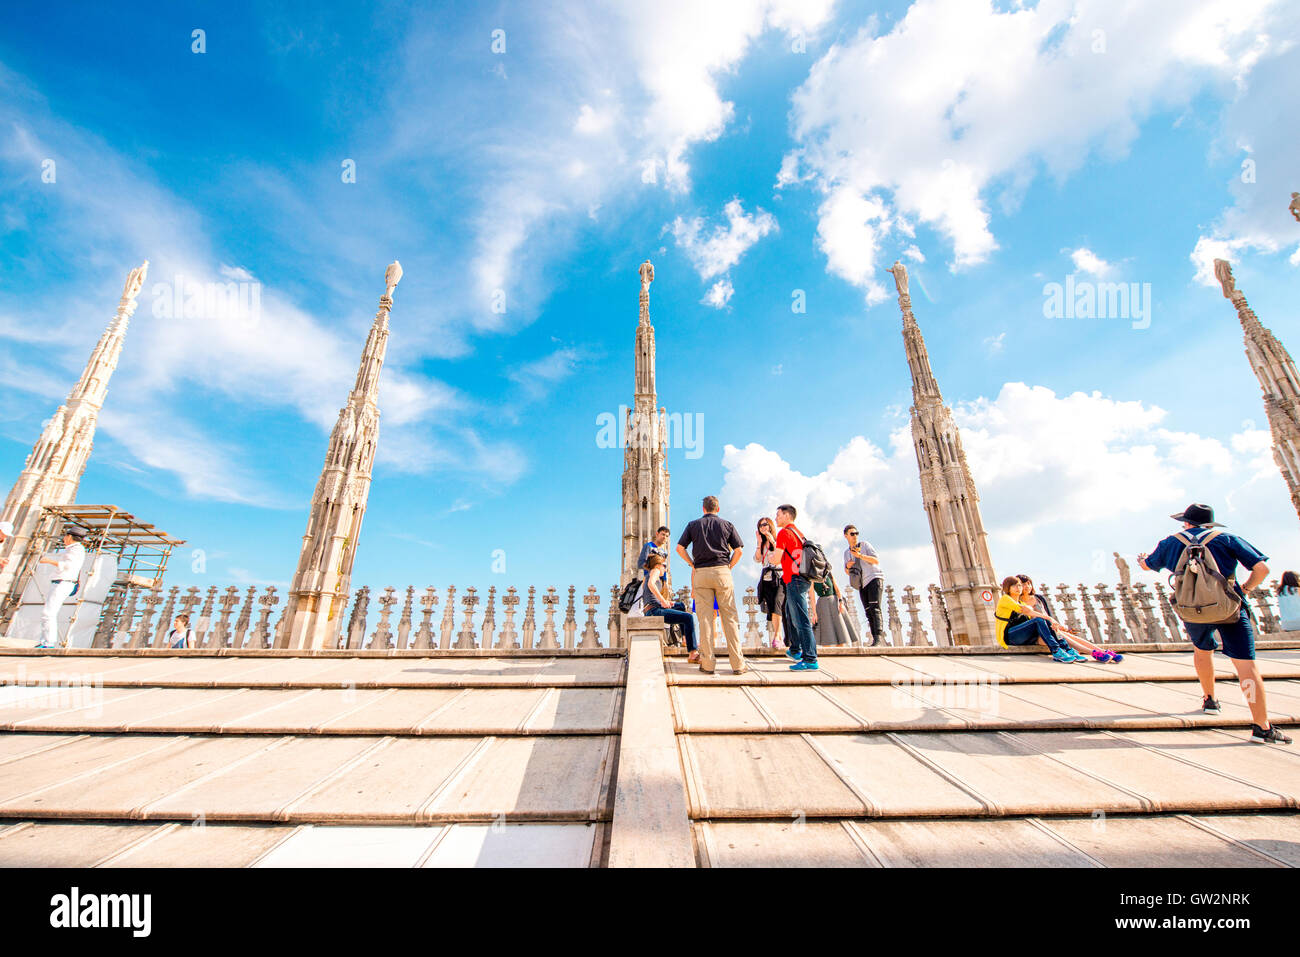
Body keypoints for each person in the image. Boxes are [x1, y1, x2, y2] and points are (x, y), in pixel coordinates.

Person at [1139, 503, 1291, 745]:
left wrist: (1143, 560)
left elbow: (1148, 565)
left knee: (1202, 650)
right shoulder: (1227, 538)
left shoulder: (1171, 541)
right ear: (1210, 523)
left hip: (1192, 609)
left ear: (1186, 523)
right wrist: (1246, 590)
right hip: (1229, 607)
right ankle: (1262, 726)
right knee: (1246, 666)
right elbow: (1262, 568)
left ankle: (1210, 699)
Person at [675, 496, 747, 675]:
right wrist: (729, 566)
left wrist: (692, 564)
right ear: (718, 508)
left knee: (705, 619)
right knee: (729, 618)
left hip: (701, 573)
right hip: (723, 571)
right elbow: (739, 551)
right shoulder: (727, 524)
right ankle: (737, 664)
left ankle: (707, 664)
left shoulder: (693, 525)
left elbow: (679, 548)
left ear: (703, 509)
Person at [1018, 574, 1121, 663]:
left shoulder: (1039, 598)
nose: (1027, 586)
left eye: (1028, 583)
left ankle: (1102, 651)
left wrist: (1058, 625)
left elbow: (1049, 616)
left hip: (1050, 631)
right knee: (1060, 635)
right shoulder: (1017, 602)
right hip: (1037, 636)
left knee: (1064, 634)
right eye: (1023, 584)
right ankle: (1094, 653)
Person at [769, 504, 818, 671]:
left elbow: (776, 559)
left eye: (778, 515)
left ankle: (810, 658)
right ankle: (795, 650)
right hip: (801, 578)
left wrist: (769, 556)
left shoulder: (784, 533)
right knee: (791, 614)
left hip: (794, 579)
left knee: (801, 619)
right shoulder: (798, 533)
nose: (776, 518)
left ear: (787, 516)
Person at [994, 576, 1077, 662]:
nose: (1018, 588)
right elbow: (1028, 611)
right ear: (1008, 588)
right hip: (1009, 637)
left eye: (1019, 585)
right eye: (1014, 586)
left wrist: (1051, 620)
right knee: (1040, 620)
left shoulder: (1021, 602)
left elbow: (1033, 614)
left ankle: (1066, 649)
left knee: (1047, 622)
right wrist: (1050, 619)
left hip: (1022, 636)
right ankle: (1057, 650)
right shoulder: (1005, 599)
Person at [638, 554, 700, 663]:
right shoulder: (655, 571)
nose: (665, 568)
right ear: (658, 565)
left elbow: (648, 593)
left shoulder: (647, 575)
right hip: (654, 611)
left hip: (652, 608)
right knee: (688, 618)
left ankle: (685, 638)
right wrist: (662, 600)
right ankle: (693, 653)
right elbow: (651, 585)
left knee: (681, 606)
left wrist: (665, 603)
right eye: (664, 565)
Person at [36, 526, 87, 649]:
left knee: (49, 613)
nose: (64, 539)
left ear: (69, 536)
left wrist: (48, 561)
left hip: (63, 582)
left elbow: (68, 565)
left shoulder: (76, 549)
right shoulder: (74, 549)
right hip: (62, 582)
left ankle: (48, 643)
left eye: (65, 536)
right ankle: (45, 641)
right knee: (49, 612)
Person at [843, 525, 885, 646]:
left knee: (875, 608)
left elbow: (876, 560)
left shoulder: (865, 545)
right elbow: (846, 571)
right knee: (868, 611)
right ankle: (874, 637)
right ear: (846, 536)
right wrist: (848, 566)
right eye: (852, 534)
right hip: (861, 583)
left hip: (874, 578)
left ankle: (878, 638)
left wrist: (860, 556)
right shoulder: (846, 553)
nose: (855, 536)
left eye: (856, 533)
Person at [754, 517, 785, 649]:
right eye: (760, 526)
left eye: (765, 524)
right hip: (766, 578)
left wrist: (771, 539)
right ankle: (776, 638)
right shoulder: (762, 544)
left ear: (770, 525)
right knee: (771, 608)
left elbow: (780, 555)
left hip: (778, 576)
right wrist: (759, 543)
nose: (763, 527)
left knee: (778, 605)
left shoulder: (777, 540)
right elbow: (757, 559)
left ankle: (778, 636)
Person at [812, 568, 859, 647]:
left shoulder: (828, 573)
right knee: (826, 634)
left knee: (840, 632)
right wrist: (814, 613)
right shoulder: (812, 577)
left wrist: (841, 602)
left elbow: (837, 589)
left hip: (834, 603)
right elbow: (812, 597)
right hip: (822, 605)